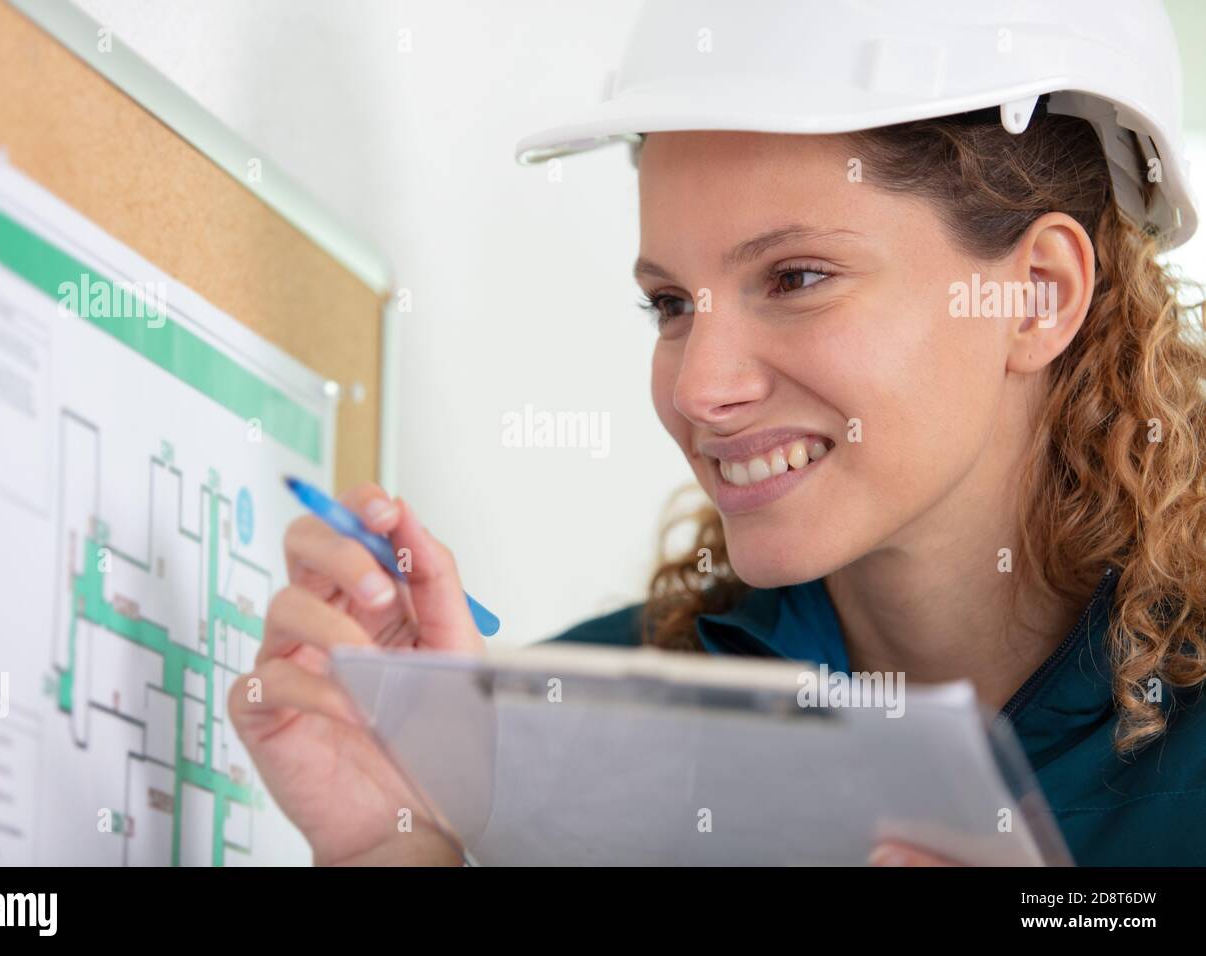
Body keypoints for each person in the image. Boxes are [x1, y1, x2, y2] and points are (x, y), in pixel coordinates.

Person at [228, 0, 1206, 866]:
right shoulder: (601, 723)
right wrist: (399, 839)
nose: (698, 386)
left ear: (1038, 294)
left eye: (795, 277)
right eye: (669, 302)